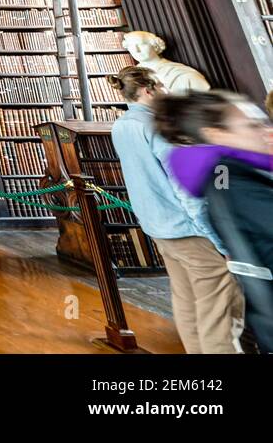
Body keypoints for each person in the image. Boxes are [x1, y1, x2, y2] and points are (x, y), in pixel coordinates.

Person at [107, 68, 244, 353]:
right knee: (219, 303)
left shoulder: (121, 125)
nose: (168, 92)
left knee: (186, 298)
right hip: (187, 227)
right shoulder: (160, 127)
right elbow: (187, 188)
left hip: (157, 225)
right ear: (149, 90)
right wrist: (218, 239)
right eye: (163, 87)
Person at [158, 90, 273, 353]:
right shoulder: (230, 178)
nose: (263, 129)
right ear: (217, 134)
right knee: (213, 309)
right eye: (251, 125)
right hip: (186, 236)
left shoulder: (225, 172)